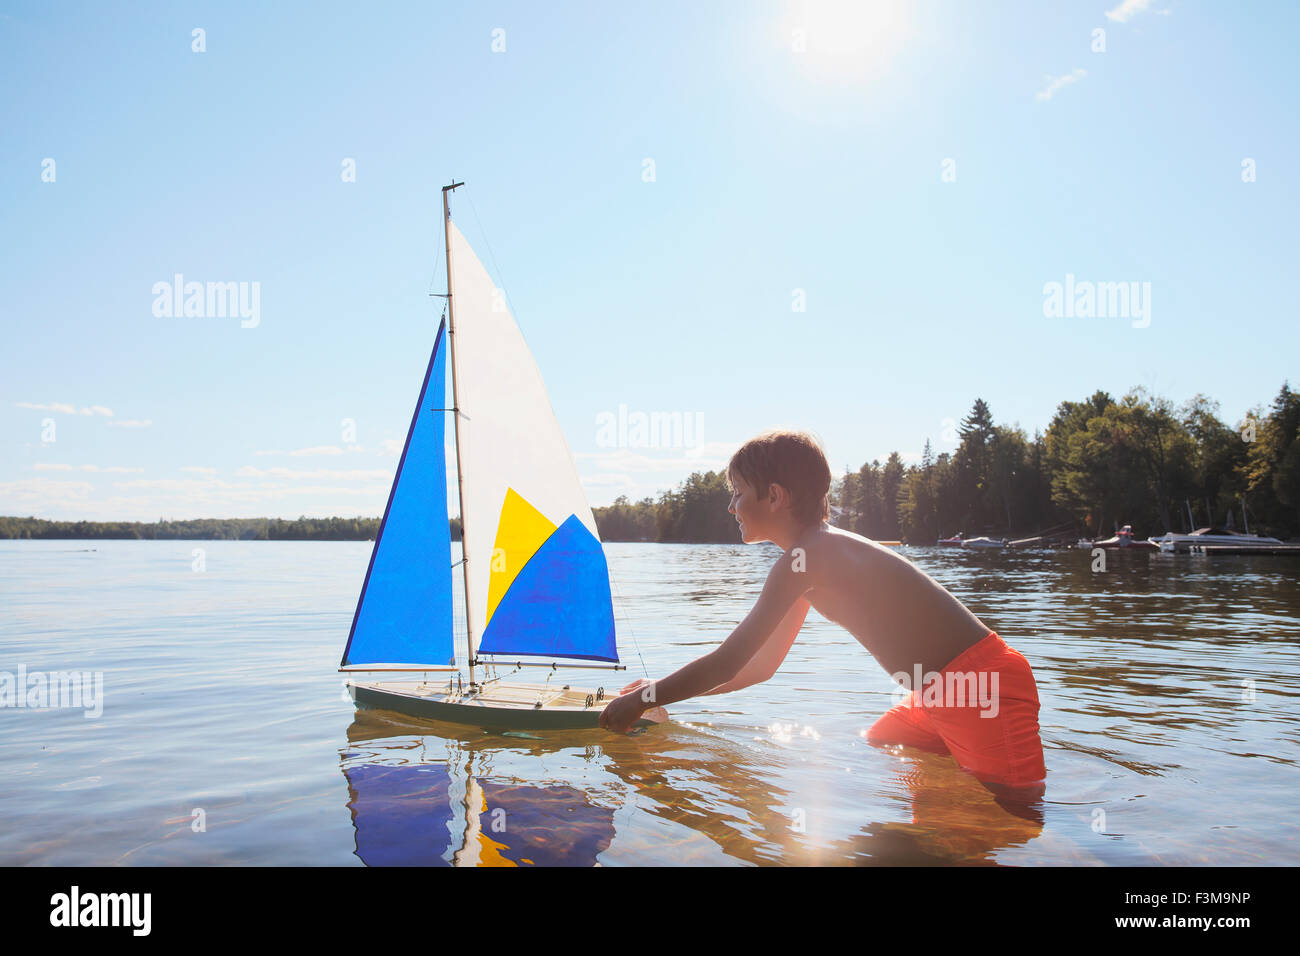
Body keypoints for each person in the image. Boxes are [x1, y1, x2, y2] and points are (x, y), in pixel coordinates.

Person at [598, 429, 1046, 794]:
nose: (731, 506)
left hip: (982, 690)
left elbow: (727, 660)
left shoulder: (809, 556)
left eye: (737, 493)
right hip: (938, 695)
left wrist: (645, 698)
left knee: (1016, 822)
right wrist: (659, 696)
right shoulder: (808, 558)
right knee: (890, 752)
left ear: (774, 496)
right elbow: (757, 668)